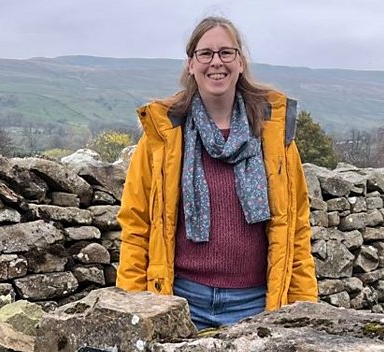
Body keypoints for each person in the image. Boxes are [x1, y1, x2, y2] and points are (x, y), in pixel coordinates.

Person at [116, 16, 317, 329]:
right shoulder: (164, 136)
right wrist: (132, 306)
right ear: (191, 64)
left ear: (240, 62)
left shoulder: (274, 136)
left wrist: (305, 308)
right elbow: (137, 223)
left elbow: (297, 227)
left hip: (257, 304)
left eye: (226, 52)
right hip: (180, 302)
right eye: (205, 53)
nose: (216, 62)